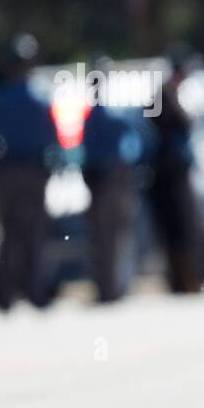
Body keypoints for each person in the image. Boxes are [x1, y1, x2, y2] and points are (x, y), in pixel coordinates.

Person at [0, 34, 58, 311]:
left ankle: (5, 296)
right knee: (33, 233)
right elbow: (50, 138)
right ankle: (35, 293)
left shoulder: (1, 98)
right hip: (32, 171)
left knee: (10, 233)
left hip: (8, 172)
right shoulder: (39, 98)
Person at [81, 59, 141, 302]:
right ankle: (108, 287)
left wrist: (122, 168)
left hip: (113, 181)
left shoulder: (114, 114)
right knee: (103, 237)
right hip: (98, 181)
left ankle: (116, 286)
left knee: (115, 235)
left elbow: (132, 147)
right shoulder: (94, 114)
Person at [148, 47, 203, 293]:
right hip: (166, 177)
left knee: (186, 230)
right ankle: (180, 280)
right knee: (176, 231)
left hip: (178, 174)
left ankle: (188, 279)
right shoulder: (162, 96)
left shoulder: (175, 94)